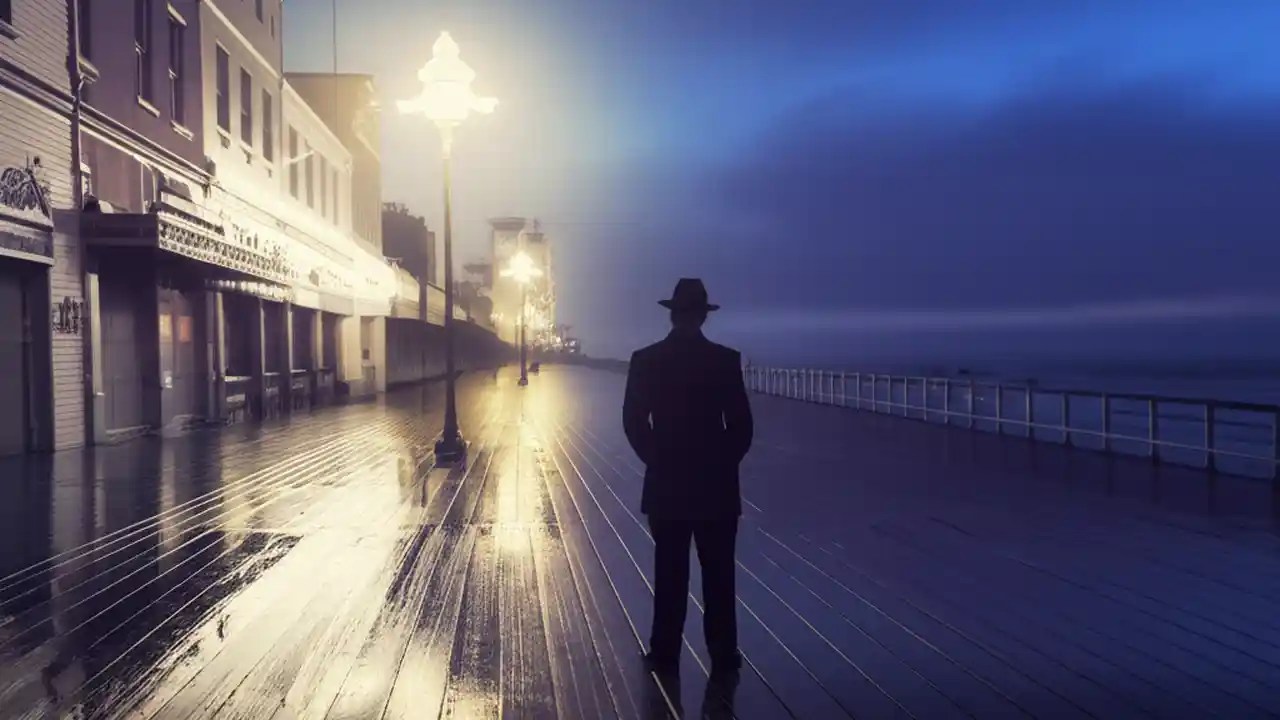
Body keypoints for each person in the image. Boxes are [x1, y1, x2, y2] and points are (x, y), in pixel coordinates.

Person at [623, 278, 754, 680]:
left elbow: (633, 422)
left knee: (670, 573)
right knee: (719, 575)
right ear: (702, 317)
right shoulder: (725, 361)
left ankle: (664, 652)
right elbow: (742, 427)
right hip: (716, 488)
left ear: (673, 315)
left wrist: (658, 460)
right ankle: (724, 654)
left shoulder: (646, 360)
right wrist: (720, 463)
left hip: (667, 486)